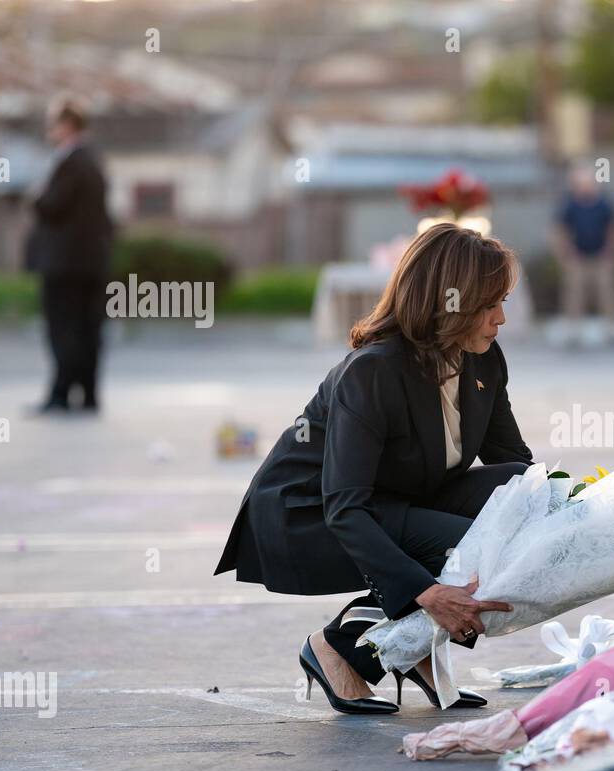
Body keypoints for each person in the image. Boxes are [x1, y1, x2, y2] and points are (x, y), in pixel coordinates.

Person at [215, 224, 535, 715]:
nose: (502, 318)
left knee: (515, 498)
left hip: (392, 500)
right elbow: (344, 505)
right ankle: (337, 649)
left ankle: (409, 646)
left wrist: (579, 513)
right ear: (450, 303)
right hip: (307, 514)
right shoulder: (373, 372)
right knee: (462, 542)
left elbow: (514, 466)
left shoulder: (484, 360)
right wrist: (427, 593)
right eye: (490, 303)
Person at [25, 94, 113, 414]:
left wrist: (36, 196)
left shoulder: (69, 162)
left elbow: (52, 206)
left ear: (67, 125)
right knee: (87, 329)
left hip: (65, 265)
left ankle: (61, 394)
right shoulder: (94, 160)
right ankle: (88, 394)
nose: (49, 130)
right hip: (91, 262)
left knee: (64, 329)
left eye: (53, 123)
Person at [554, 164, 614, 343]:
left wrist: (612, 251)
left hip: (602, 256)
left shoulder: (604, 204)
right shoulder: (569, 205)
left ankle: (613, 328)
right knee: (574, 291)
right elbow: (560, 230)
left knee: (608, 290)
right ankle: (573, 329)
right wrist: (567, 253)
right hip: (578, 257)